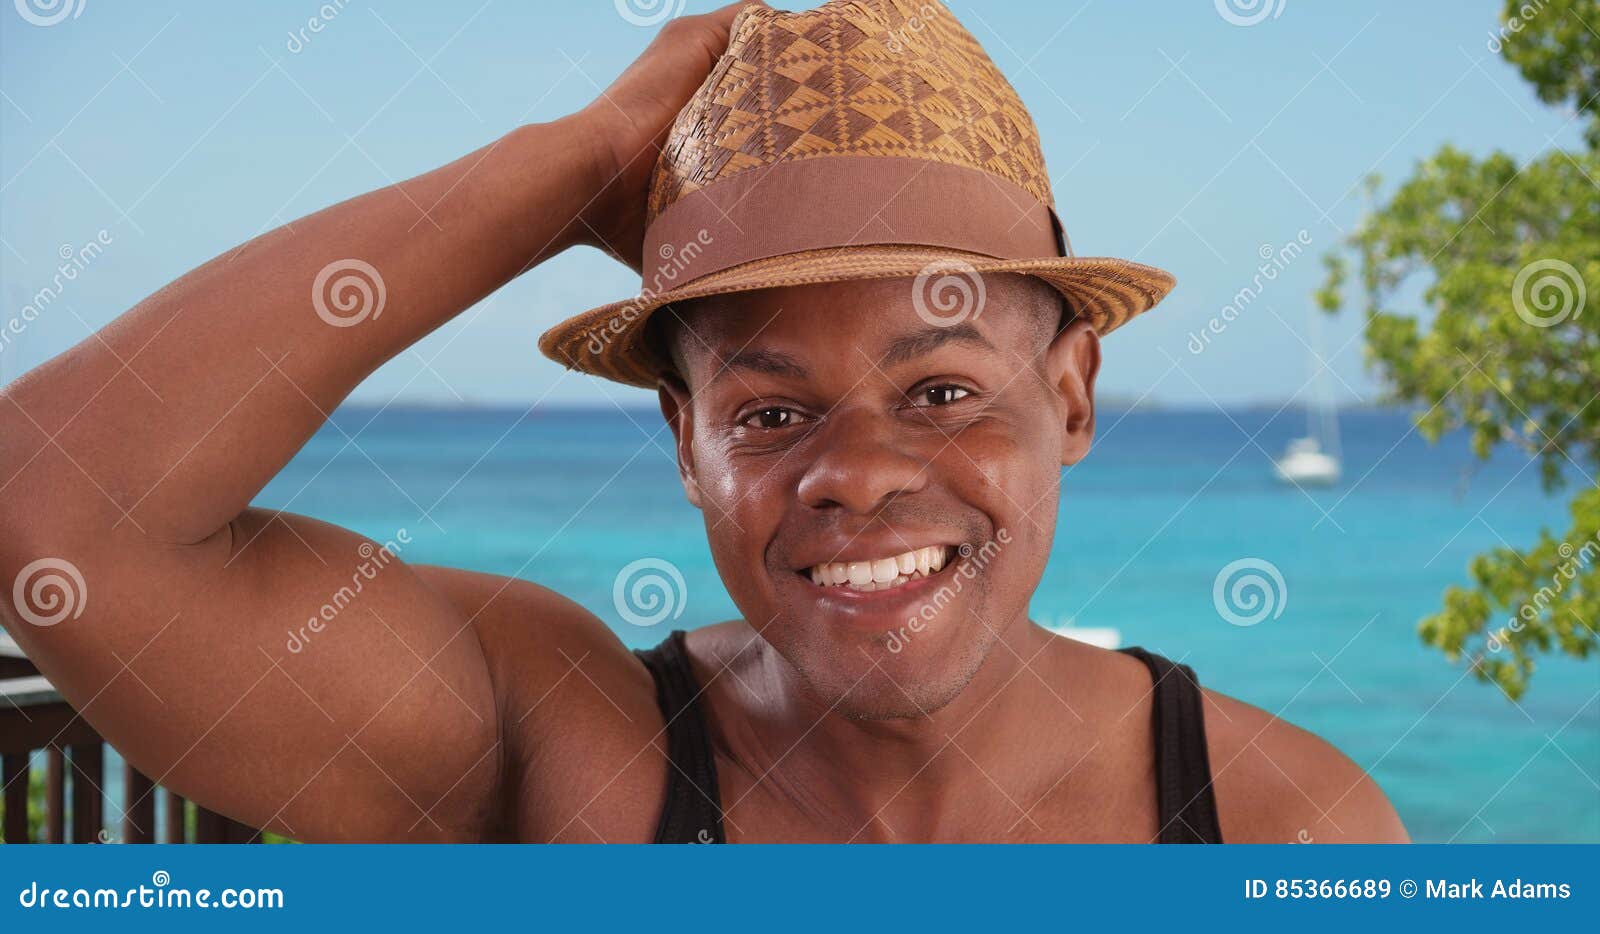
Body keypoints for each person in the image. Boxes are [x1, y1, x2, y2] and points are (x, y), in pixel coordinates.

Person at [0, 0, 1406, 843]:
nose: (855, 473)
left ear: (1074, 394)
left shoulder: (1288, 826)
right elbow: (57, 510)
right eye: (774, 407)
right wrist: (579, 161)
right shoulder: (573, 748)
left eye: (941, 390)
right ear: (686, 441)